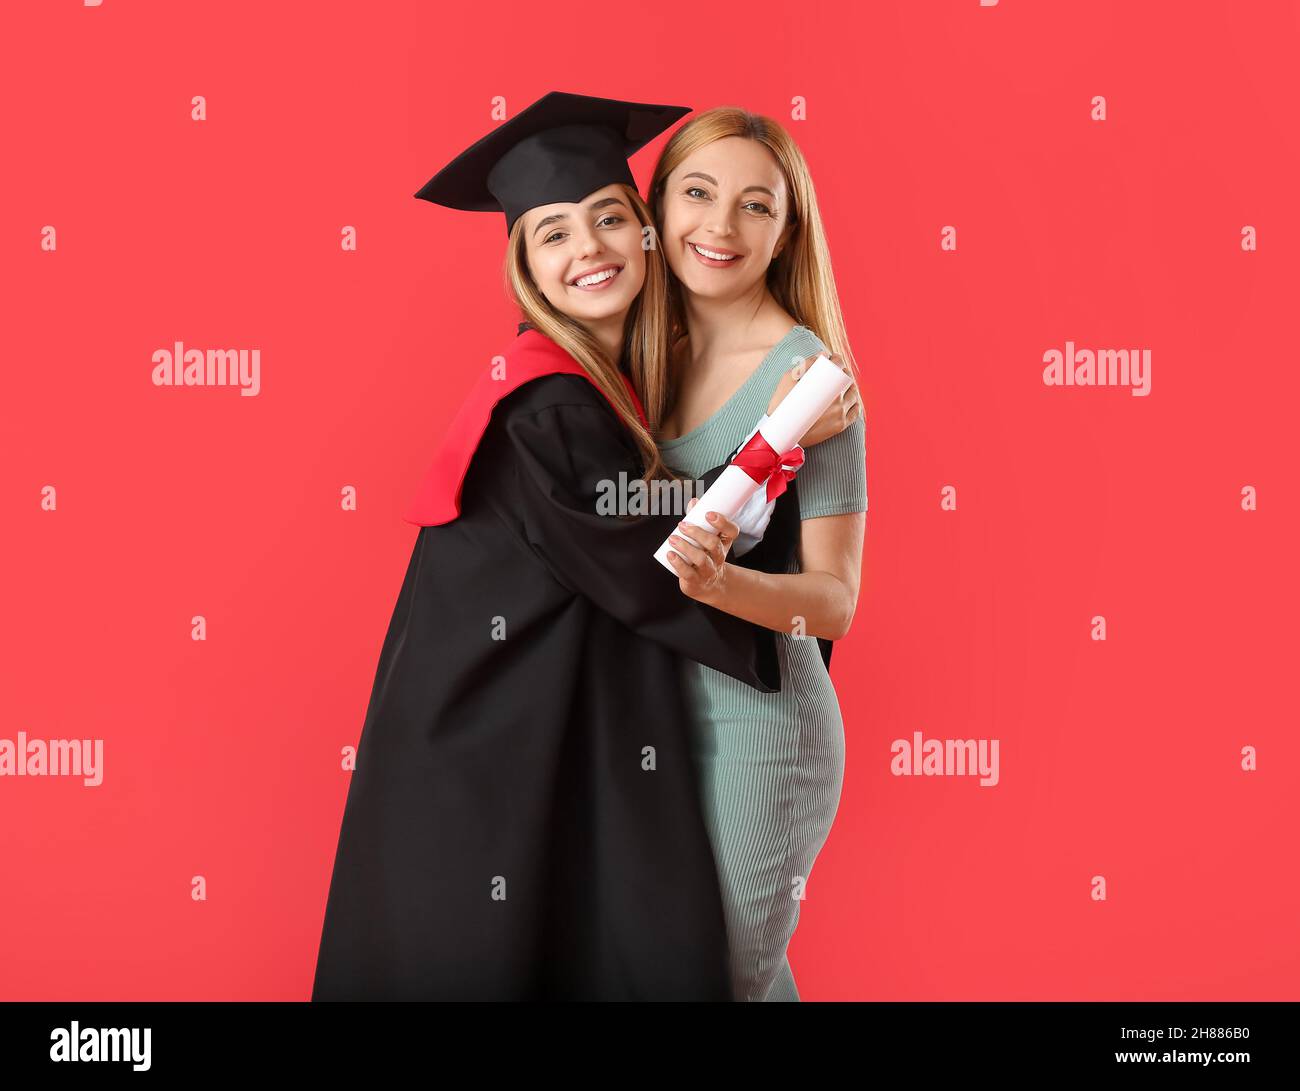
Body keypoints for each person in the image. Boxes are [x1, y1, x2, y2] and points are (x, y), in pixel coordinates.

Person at [310, 93, 833, 1001]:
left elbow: (654, 516)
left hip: (516, 734)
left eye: (606, 218)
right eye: (552, 235)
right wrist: (789, 426)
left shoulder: (603, 387)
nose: (586, 248)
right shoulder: (549, 407)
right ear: (525, 269)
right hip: (482, 758)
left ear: (644, 234)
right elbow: (659, 557)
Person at [645, 106, 868, 1001]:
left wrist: (721, 580)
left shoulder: (810, 382)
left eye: (755, 206)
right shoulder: (639, 348)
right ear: (658, 210)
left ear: (785, 232)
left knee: (716, 979)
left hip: (760, 727)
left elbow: (837, 599)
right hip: (643, 717)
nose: (720, 227)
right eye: (697, 193)